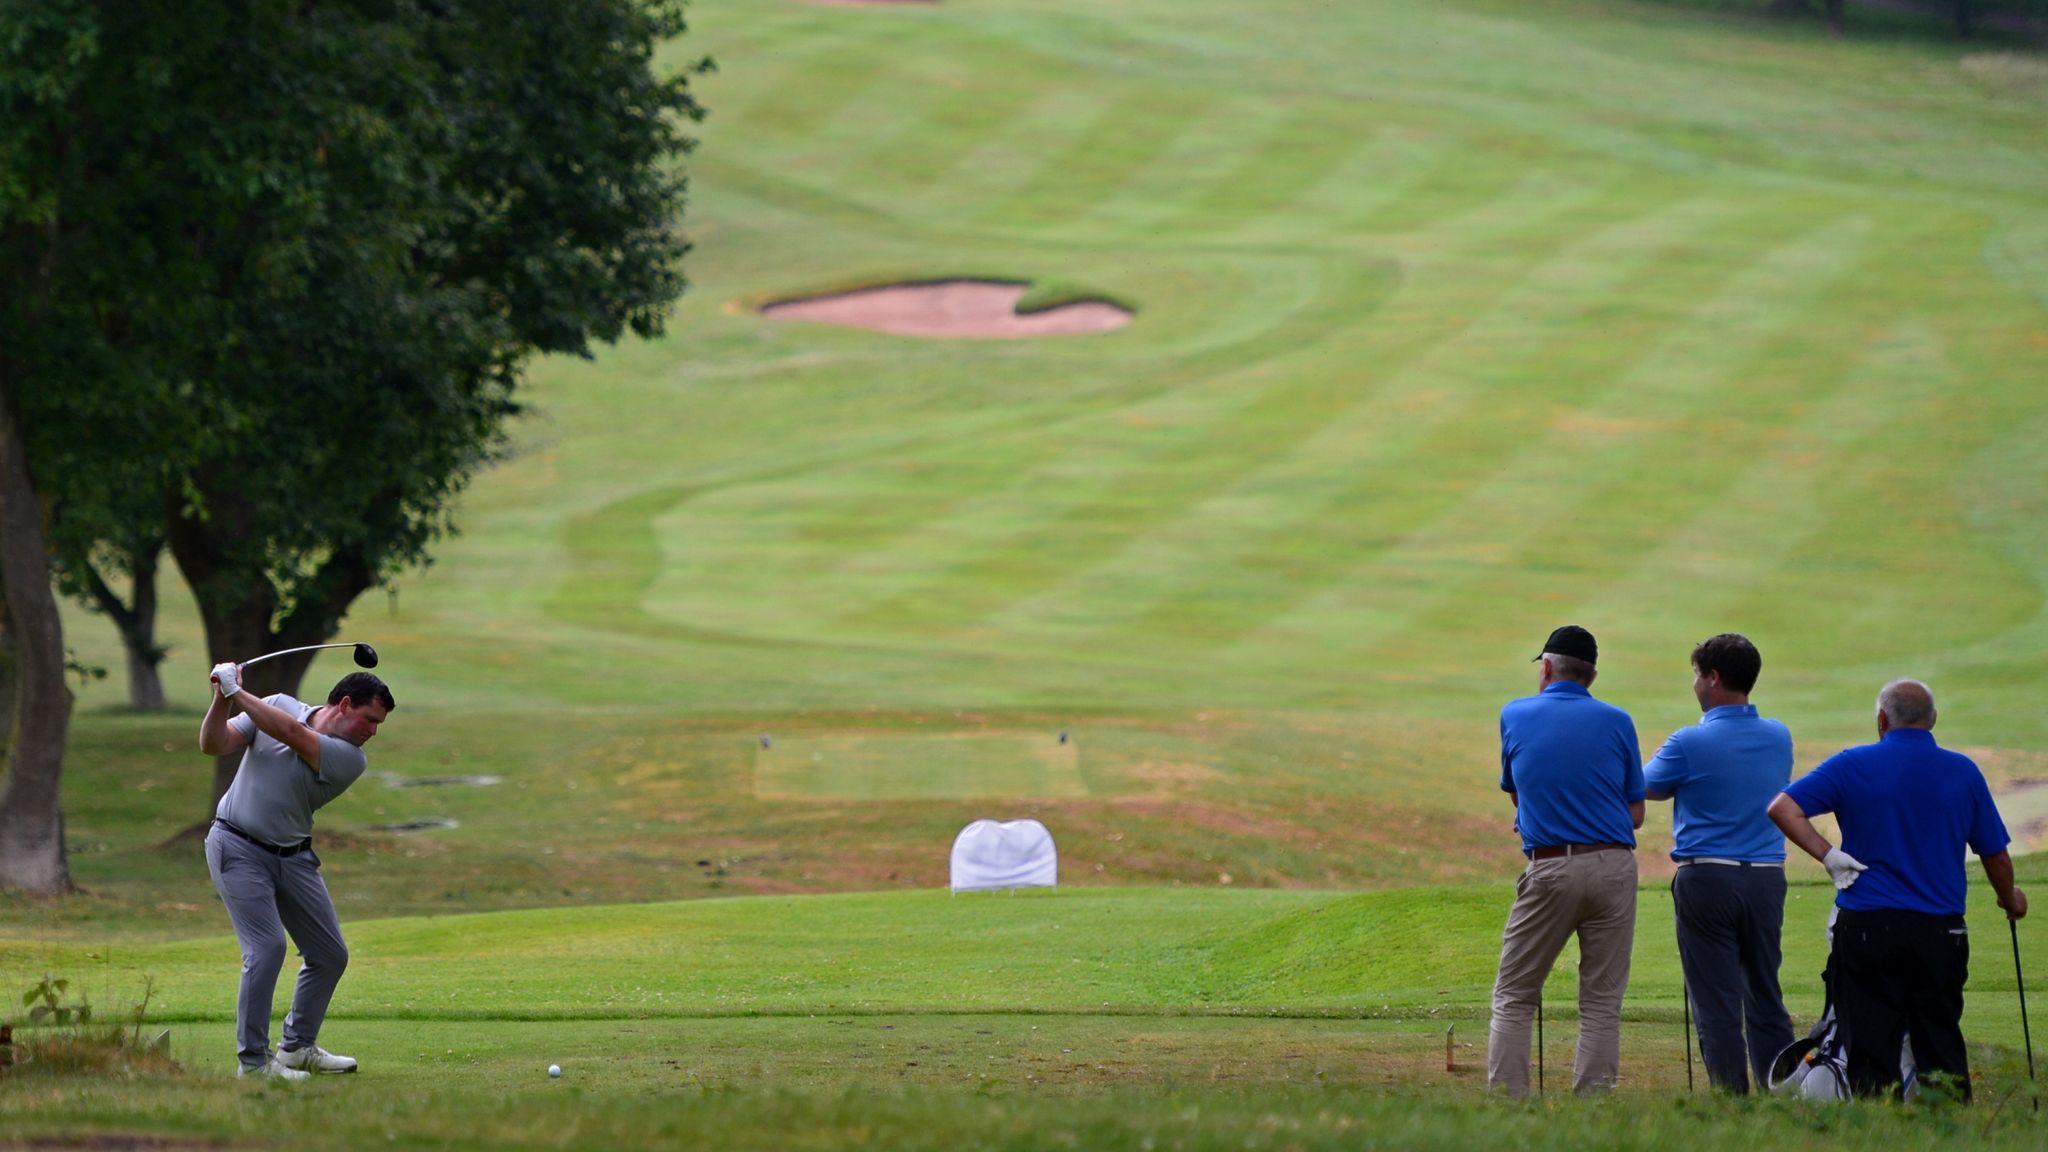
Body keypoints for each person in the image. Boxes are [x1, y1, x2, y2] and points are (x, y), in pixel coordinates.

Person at [1767, 678, 2027, 1101]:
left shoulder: (1852, 763)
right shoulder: (1963, 771)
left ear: (1881, 720)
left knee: (1870, 1046)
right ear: (1933, 720)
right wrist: (2010, 899)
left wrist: (1828, 855)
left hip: (1866, 928)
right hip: (1939, 932)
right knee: (1939, 1040)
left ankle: (1876, 1133)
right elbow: (1995, 856)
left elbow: (1783, 808)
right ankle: (1947, 1132)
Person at [200, 661, 394, 1081]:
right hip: (237, 845)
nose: (373, 731)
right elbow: (214, 744)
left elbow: (290, 733)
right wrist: (220, 699)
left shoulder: (349, 759)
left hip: (294, 857)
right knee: (266, 949)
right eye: (369, 719)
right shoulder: (275, 704)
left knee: (329, 954)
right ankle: (252, 1063)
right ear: (344, 704)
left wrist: (237, 693)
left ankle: (296, 1048)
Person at [1489, 624, 1645, 1097]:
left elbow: (1518, 791)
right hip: (1615, 867)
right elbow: (1635, 814)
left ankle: (1507, 1107)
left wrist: (1542, 812)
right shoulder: (1619, 721)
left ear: (1548, 668)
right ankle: (1592, 1113)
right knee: (1601, 1003)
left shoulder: (1515, 714)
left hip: (1552, 867)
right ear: (1592, 677)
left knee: (1514, 997)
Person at [1644, 633, 1795, 1094]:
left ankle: (1733, 1101)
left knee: (1717, 1000)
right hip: (1767, 879)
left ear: (1713, 678)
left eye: (1696, 675)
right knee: (1765, 994)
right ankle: (1782, 1090)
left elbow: (1644, 786)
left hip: (1707, 877)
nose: (1694, 683)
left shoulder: (1689, 741)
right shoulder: (1778, 734)